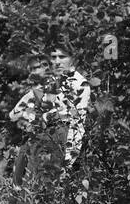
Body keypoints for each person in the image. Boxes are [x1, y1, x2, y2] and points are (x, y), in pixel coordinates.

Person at [8, 43, 91, 183]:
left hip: (61, 138)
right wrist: (29, 116)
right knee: (28, 181)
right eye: (54, 57)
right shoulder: (50, 82)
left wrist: (68, 162)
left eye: (62, 57)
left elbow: (77, 124)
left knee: (51, 184)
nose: (57, 61)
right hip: (42, 136)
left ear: (73, 59)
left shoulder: (80, 84)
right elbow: (15, 113)